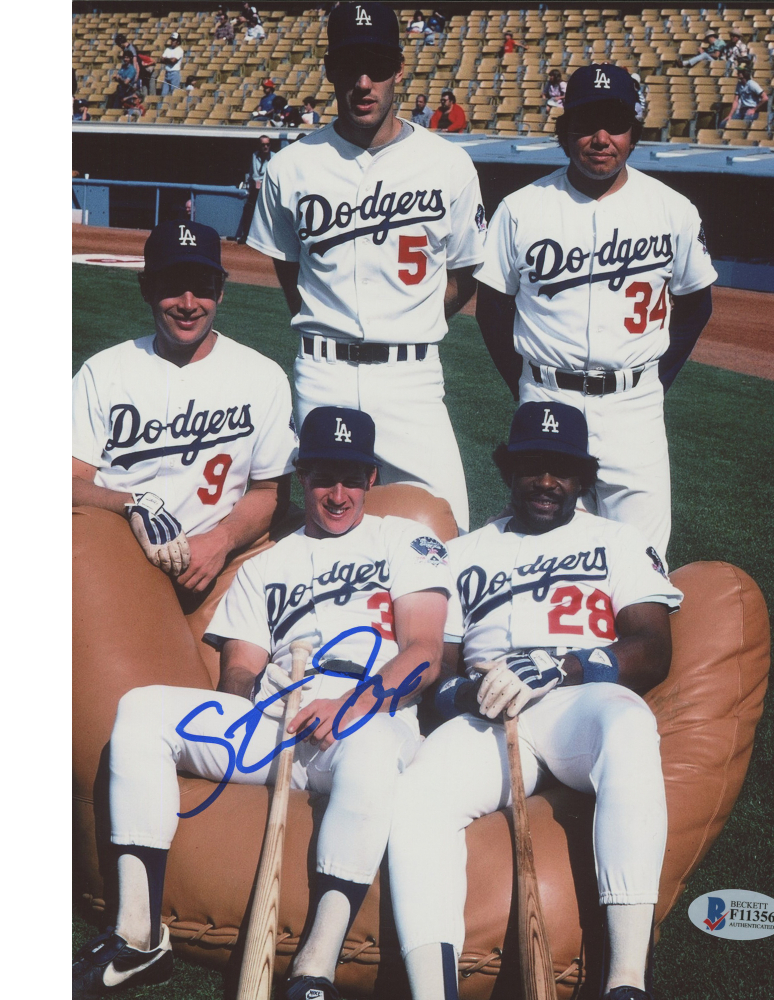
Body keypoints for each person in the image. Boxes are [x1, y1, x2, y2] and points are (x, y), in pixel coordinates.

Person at [71, 405, 453, 1000]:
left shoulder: (406, 541)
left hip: (366, 720)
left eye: (352, 477)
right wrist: (234, 715)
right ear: (303, 475)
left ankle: (314, 971)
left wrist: (349, 708)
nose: (338, 492)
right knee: (144, 708)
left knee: (374, 751)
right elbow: (243, 666)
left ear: (372, 478)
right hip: (274, 719)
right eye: (324, 475)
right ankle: (138, 937)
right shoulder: (267, 564)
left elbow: (425, 651)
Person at [388, 400, 683, 1000]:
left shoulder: (618, 541)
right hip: (489, 717)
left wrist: (564, 666)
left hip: (580, 704)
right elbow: (436, 679)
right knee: (419, 792)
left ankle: (626, 980)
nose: (546, 481)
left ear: (581, 478)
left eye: (560, 467)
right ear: (508, 471)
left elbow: (652, 647)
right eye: (531, 466)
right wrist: (473, 690)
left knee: (629, 727)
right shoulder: (463, 553)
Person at [246, 2, 486, 533]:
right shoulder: (292, 166)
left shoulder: (448, 164)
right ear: (329, 69)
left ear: (399, 68)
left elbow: (464, 271)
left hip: (412, 377)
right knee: (325, 539)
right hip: (323, 370)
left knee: (447, 531)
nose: (363, 81)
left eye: (376, 65)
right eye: (349, 65)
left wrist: (416, 317)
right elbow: (293, 272)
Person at [474, 64, 717, 559]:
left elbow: (695, 305)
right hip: (546, 399)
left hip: (635, 406)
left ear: (634, 134)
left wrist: (655, 381)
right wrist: (528, 385)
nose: (602, 138)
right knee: (546, 557)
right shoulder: (522, 208)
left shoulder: (672, 209)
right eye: (587, 124)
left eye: (616, 123)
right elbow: (492, 311)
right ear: (564, 132)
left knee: (642, 563)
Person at [71, 220, 298, 596]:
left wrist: (221, 541)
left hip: (218, 564)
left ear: (221, 291)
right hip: (115, 558)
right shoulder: (104, 371)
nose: (189, 304)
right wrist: (130, 505)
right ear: (146, 288)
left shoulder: (263, 376)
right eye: (174, 286)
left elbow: (272, 490)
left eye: (203, 288)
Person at [235, 135, 273, 243]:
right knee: (248, 210)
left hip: (267, 189)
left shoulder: (274, 156)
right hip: (255, 189)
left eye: (267, 144)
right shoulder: (254, 155)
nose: (265, 147)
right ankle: (245, 236)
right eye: (263, 145)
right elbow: (252, 173)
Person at [159, 32, 184, 97]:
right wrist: (169, 60)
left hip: (174, 73)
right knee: (164, 94)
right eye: (171, 40)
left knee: (174, 93)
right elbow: (161, 59)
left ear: (178, 42)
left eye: (174, 40)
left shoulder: (179, 50)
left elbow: (173, 61)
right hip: (167, 73)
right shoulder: (168, 49)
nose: (172, 42)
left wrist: (166, 59)